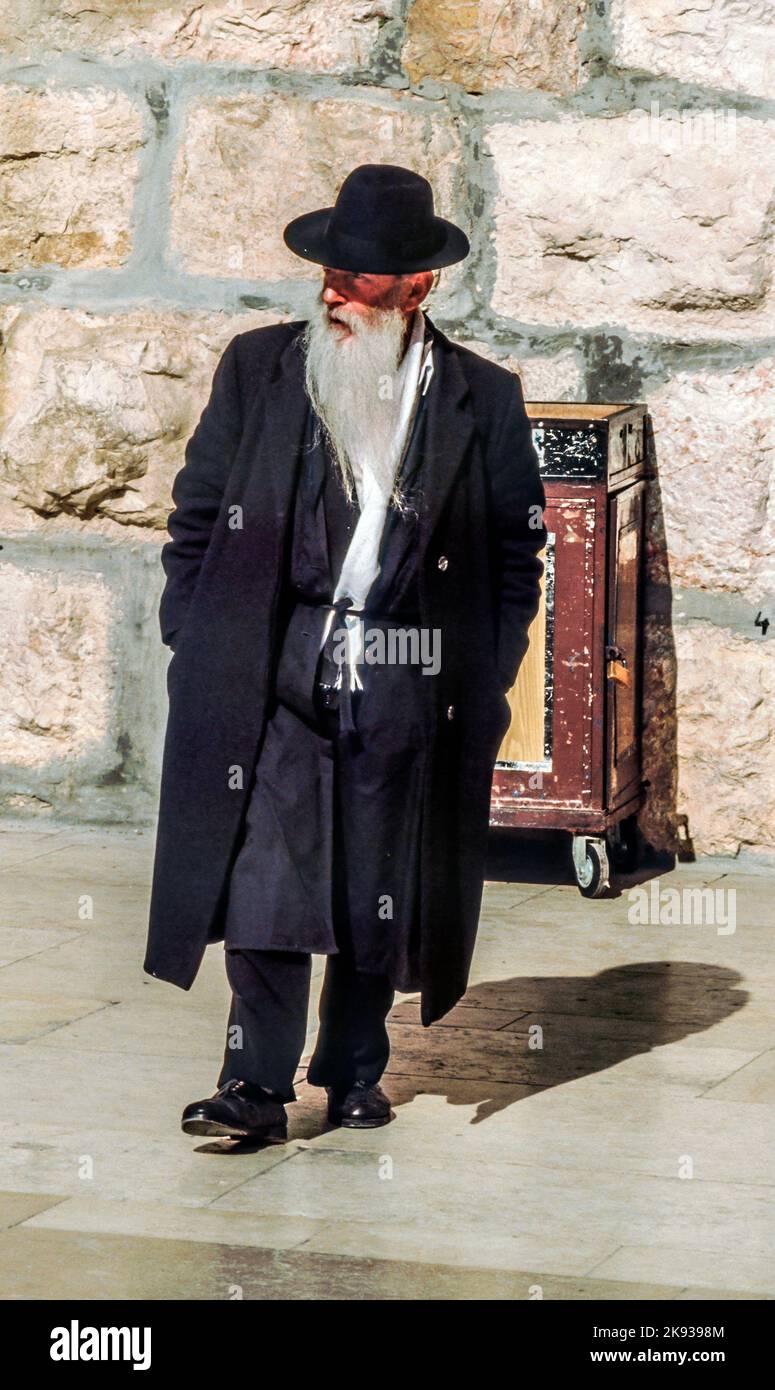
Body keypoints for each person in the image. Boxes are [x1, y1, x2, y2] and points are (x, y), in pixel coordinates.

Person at [143, 163, 547, 1142]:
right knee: (266, 876)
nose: (333, 290)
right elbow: (196, 518)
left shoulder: (480, 399)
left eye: (359, 278)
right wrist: (196, 634)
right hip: (274, 661)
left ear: (417, 285)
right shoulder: (258, 367)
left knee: (377, 875)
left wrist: (479, 673)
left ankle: (355, 1066)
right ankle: (253, 1085)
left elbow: (512, 551)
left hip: (405, 663)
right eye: (328, 269)